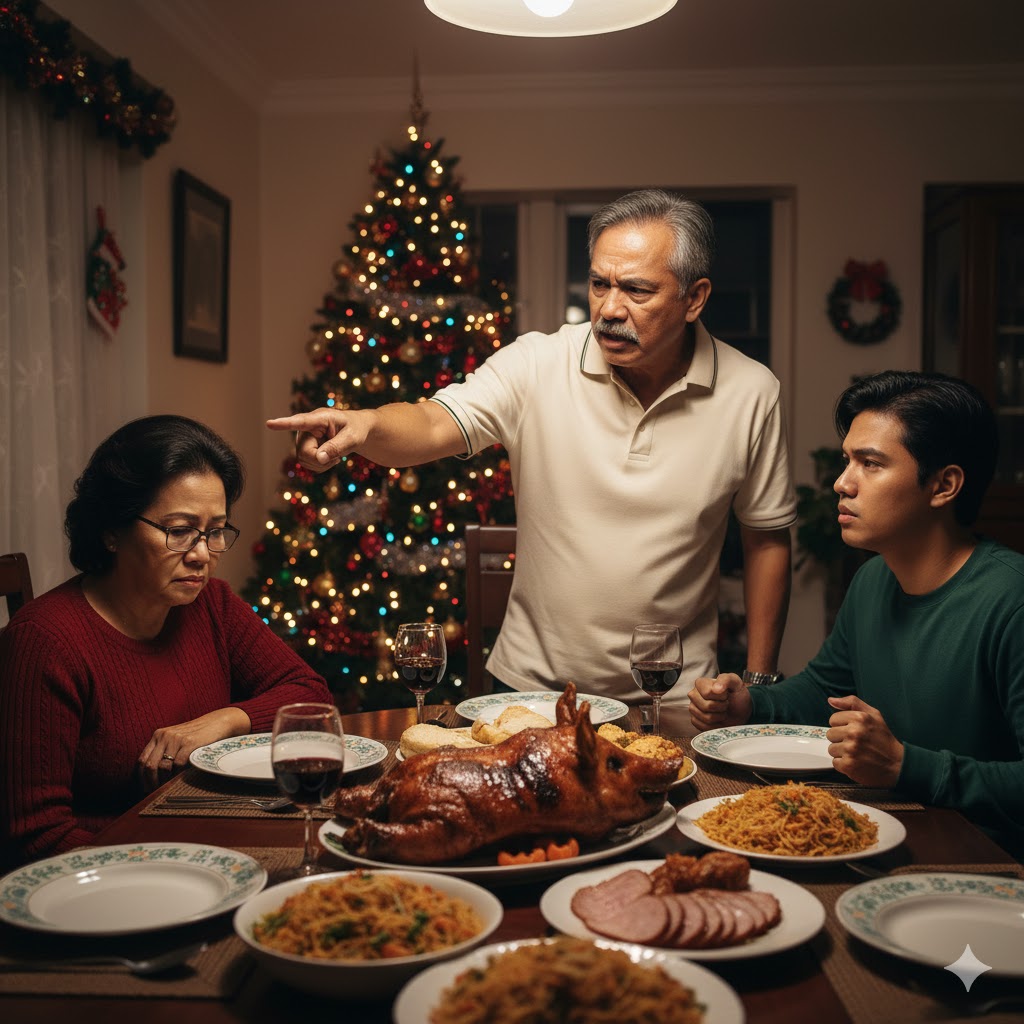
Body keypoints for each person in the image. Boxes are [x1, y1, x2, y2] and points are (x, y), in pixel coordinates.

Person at [268, 189, 797, 706]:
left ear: (694, 298)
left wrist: (760, 681)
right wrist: (365, 424)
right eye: (597, 284)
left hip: (673, 695)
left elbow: (766, 537)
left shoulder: (752, 392)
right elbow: (431, 424)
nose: (609, 308)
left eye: (637, 290)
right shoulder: (538, 363)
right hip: (531, 692)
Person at [689, 370, 1024, 856]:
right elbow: (826, 689)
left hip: (987, 864)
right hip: (891, 833)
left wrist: (907, 766)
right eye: (848, 461)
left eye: (871, 463)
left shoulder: (1010, 598)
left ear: (944, 485)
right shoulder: (873, 579)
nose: (842, 483)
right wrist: (750, 705)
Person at [0, 415, 332, 866]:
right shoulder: (46, 641)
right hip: (112, 876)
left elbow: (311, 696)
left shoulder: (210, 604)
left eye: (215, 531)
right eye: (179, 531)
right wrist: (170, 867)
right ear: (112, 531)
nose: (201, 555)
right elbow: (36, 837)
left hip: (209, 839)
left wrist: (224, 720)